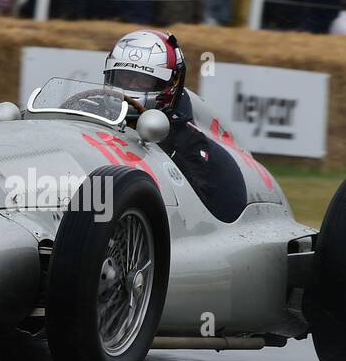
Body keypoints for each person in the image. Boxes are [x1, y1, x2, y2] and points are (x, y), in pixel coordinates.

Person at [102, 29, 248, 223]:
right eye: (124, 77)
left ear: (169, 85)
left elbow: (195, 217)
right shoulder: (90, 110)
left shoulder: (188, 143)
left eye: (144, 80)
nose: (132, 86)